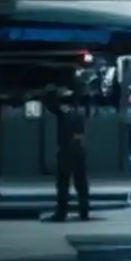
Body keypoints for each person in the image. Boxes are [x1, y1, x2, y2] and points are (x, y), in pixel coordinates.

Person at [44, 93, 89, 222]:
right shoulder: (78, 115)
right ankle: (84, 212)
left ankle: (61, 213)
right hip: (78, 152)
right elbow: (80, 135)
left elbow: (51, 106)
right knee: (81, 183)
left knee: (63, 184)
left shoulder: (63, 115)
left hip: (66, 152)